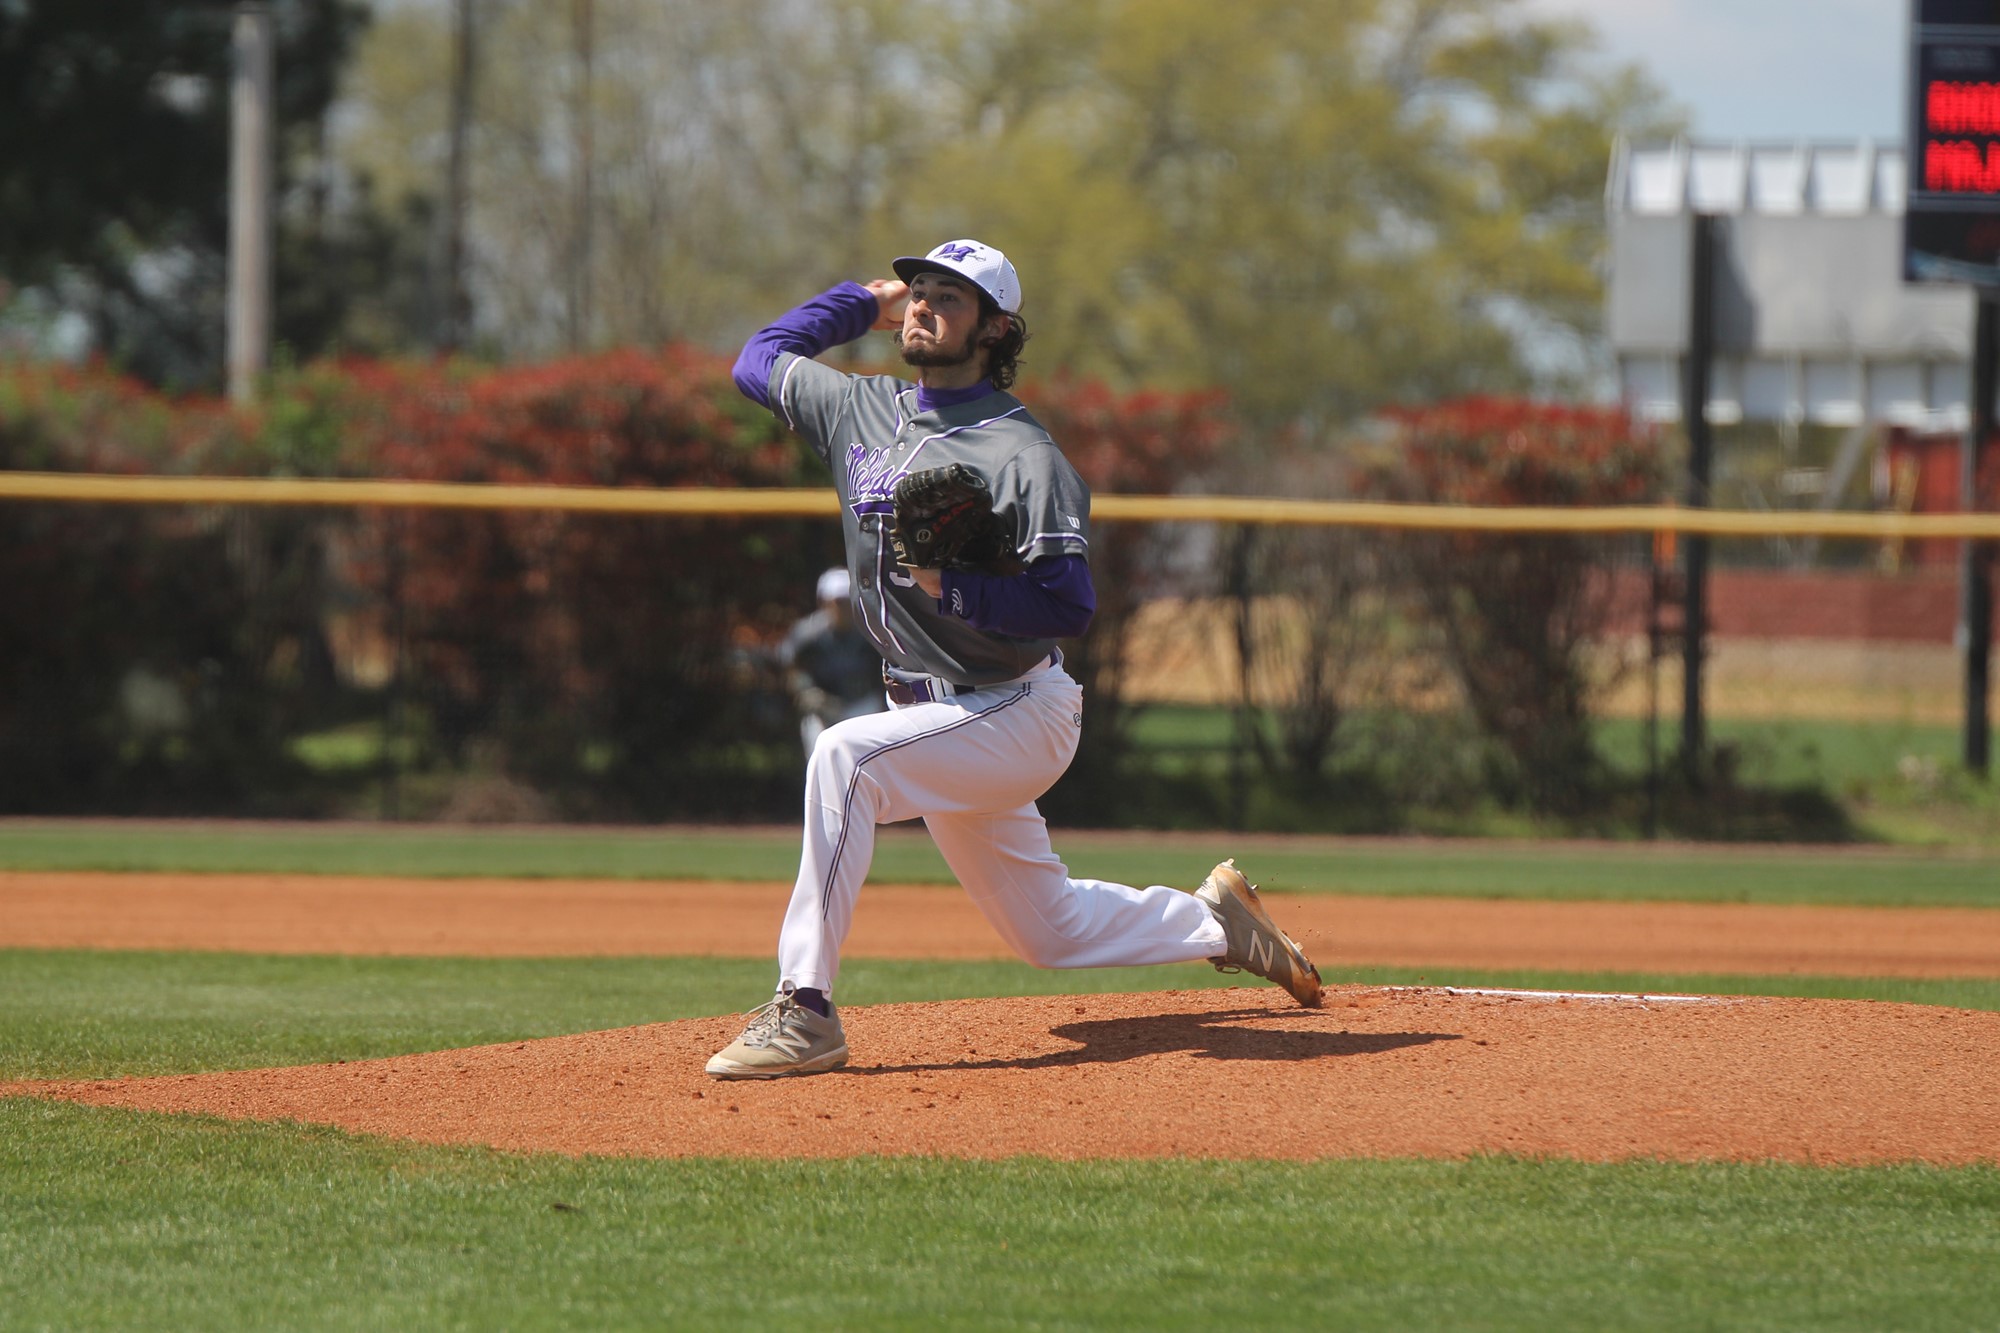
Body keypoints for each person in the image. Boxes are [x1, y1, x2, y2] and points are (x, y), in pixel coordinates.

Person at [708, 238, 1322, 1079]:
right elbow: (757, 361)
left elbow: (1069, 607)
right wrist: (861, 299)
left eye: (949, 298)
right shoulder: (862, 408)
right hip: (927, 713)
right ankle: (1220, 924)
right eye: (919, 290)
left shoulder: (1023, 454)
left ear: (996, 329)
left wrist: (952, 591)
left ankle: (805, 1008)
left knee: (843, 757)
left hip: (1016, 707)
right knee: (1050, 932)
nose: (925, 306)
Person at [779, 566, 886, 750]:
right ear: (824, 602)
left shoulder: (870, 630)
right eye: (838, 601)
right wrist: (805, 689)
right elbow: (790, 663)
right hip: (824, 710)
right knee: (822, 759)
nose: (843, 607)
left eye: (847, 600)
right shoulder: (808, 634)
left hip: (863, 704)